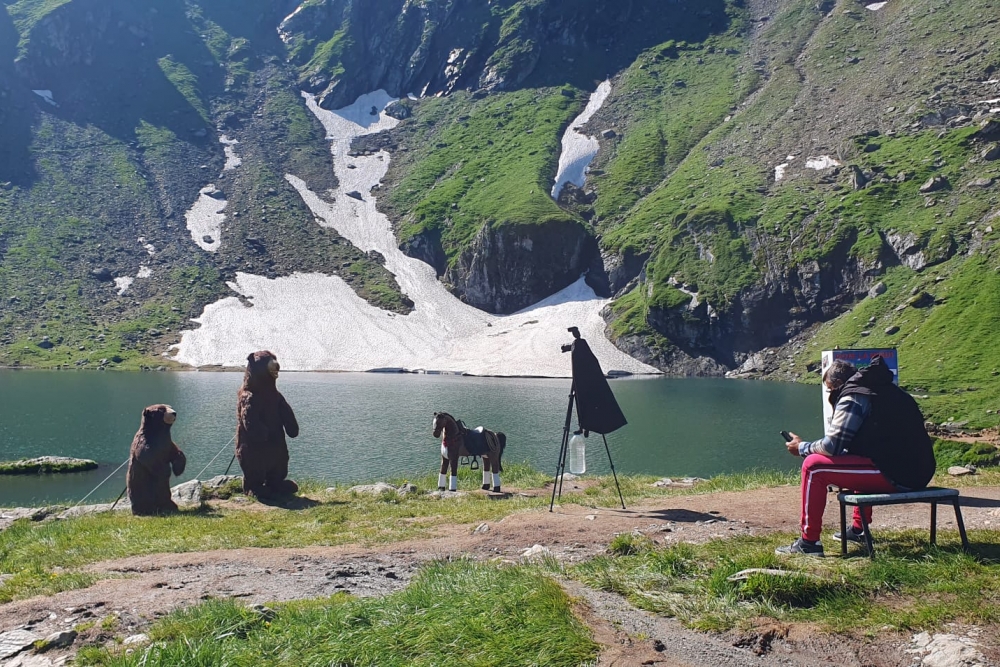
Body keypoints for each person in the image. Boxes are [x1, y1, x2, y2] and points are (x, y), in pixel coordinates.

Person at [776, 356, 936, 556]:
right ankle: (858, 530)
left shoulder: (853, 396)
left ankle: (809, 544)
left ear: (837, 384)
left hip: (899, 474)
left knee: (814, 466)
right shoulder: (882, 390)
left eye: (829, 389)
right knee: (855, 457)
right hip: (916, 471)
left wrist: (802, 447)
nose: (830, 394)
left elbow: (832, 445)